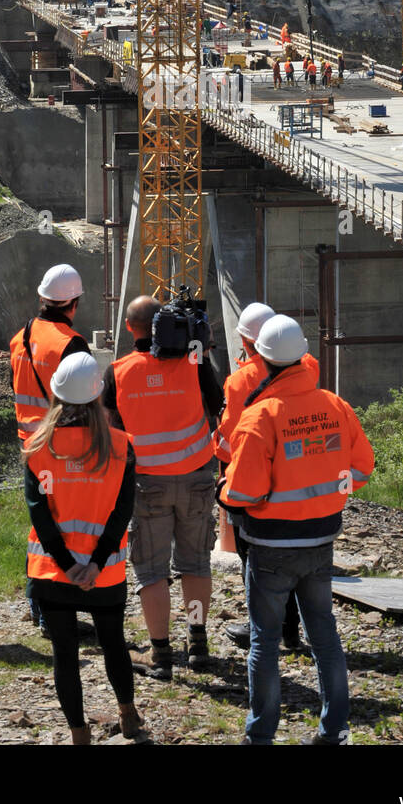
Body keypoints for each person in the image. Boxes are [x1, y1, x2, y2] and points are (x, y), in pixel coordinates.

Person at [219, 315, 374, 746]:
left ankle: (261, 734)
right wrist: (332, 493)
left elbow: (241, 494)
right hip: (321, 540)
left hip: (271, 546)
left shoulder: (259, 415)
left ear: (261, 360)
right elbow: (361, 467)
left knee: (265, 643)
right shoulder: (333, 404)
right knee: (324, 635)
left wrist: (223, 490)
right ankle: (335, 731)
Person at [24, 352, 141, 746]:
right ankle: (128, 715)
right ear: (99, 397)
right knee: (113, 643)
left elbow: (39, 513)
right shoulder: (122, 447)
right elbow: (122, 511)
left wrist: (68, 566)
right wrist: (93, 564)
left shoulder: (37, 447)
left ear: (56, 395)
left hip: (53, 574)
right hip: (104, 573)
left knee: (65, 655)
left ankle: (78, 735)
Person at [104, 295, 223, 679]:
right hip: (196, 478)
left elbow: (111, 430)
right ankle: (198, 641)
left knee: (152, 573)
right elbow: (218, 403)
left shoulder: (118, 372)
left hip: (147, 484)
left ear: (129, 328)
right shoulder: (193, 362)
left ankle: (160, 654)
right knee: (195, 563)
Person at [214, 304, 320, 654]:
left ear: (246, 341)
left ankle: (263, 629)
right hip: (299, 473)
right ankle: (293, 632)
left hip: (254, 482)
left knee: (256, 560)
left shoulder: (240, 381)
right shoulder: (308, 367)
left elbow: (231, 443)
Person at [10, 264, 90, 632]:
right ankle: (58, 606)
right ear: (72, 303)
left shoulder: (19, 338)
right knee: (66, 526)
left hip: (32, 445)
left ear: (43, 298)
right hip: (63, 446)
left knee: (40, 524)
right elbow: (83, 401)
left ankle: (38, 604)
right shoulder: (70, 343)